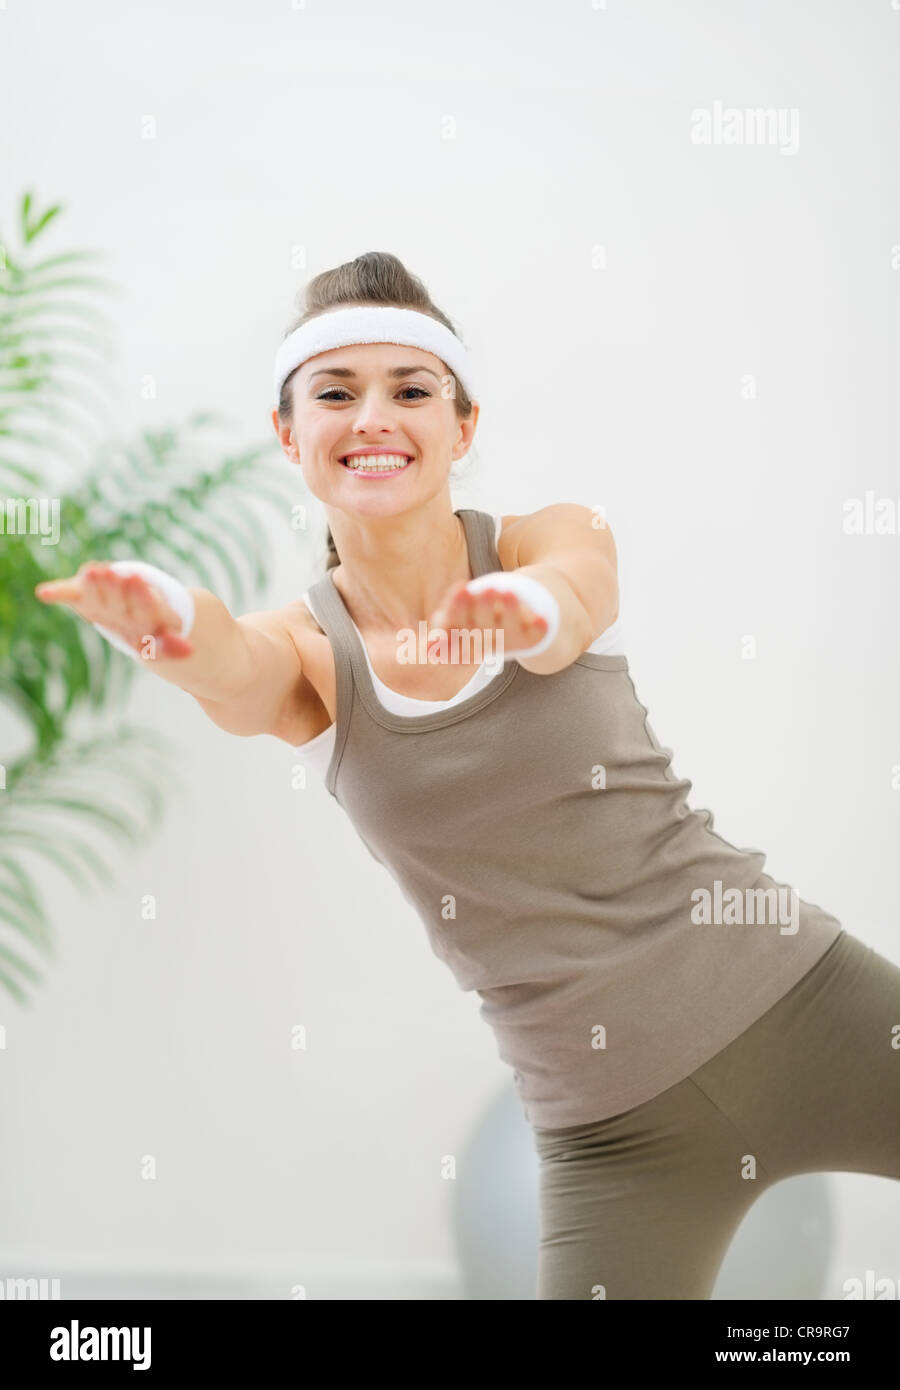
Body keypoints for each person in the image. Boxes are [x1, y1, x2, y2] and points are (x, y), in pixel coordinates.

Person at [34, 252, 900, 1300]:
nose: (374, 418)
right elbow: (231, 665)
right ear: (288, 432)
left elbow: (573, 595)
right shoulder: (309, 654)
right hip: (611, 1134)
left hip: (803, 1005)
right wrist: (168, 624)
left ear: (463, 424)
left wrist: (522, 614)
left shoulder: (546, 538)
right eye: (335, 393)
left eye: (411, 390)